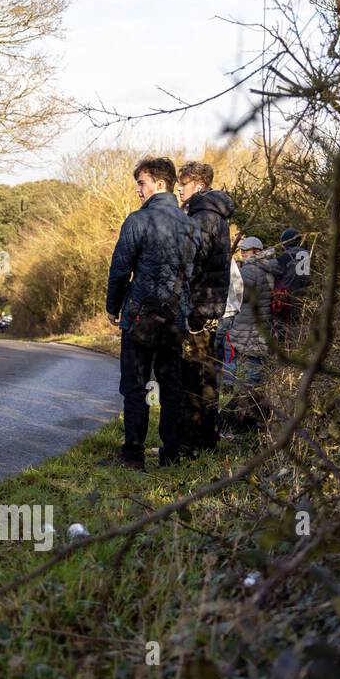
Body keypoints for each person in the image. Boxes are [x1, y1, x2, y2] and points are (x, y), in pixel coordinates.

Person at [105, 156, 200, 469]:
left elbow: (120, 269)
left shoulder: (137, 221)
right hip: (175, 319)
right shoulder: (191, 226)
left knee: (136, 385)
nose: (137, 190)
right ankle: (170, 456)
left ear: (160, 184)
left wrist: (112, 307)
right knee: (171, 387)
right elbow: (194, 274)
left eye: (141, 183)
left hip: (138, 317)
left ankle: (133, 455)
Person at [175, 161, 234, 456]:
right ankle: (207, 441)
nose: (178, 187)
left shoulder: (202, 217)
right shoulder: (215, 215)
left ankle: (190, 445)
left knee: (193, 377)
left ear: (199, 184)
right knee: (209, 376)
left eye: (183, 183)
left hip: (199, 310)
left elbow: (192, 264)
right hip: (212, 308)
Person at [223, 236, 281, 429]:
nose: (242, 253)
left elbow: (240, 296)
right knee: (256, 379)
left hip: (249, 331)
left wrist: (234, 276)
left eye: (245, 250)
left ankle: (245, 423)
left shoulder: (250, 269)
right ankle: (254, 420)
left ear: (255, 250)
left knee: (250, 382)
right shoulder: (269, 267)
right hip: (261, 330)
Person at [270, 227, 310, 346]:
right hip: (300, 297)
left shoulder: (286, 257)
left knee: (281, 330)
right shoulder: (306, 255)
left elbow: (270, 267)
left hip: (284, 299)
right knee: (294, 329)